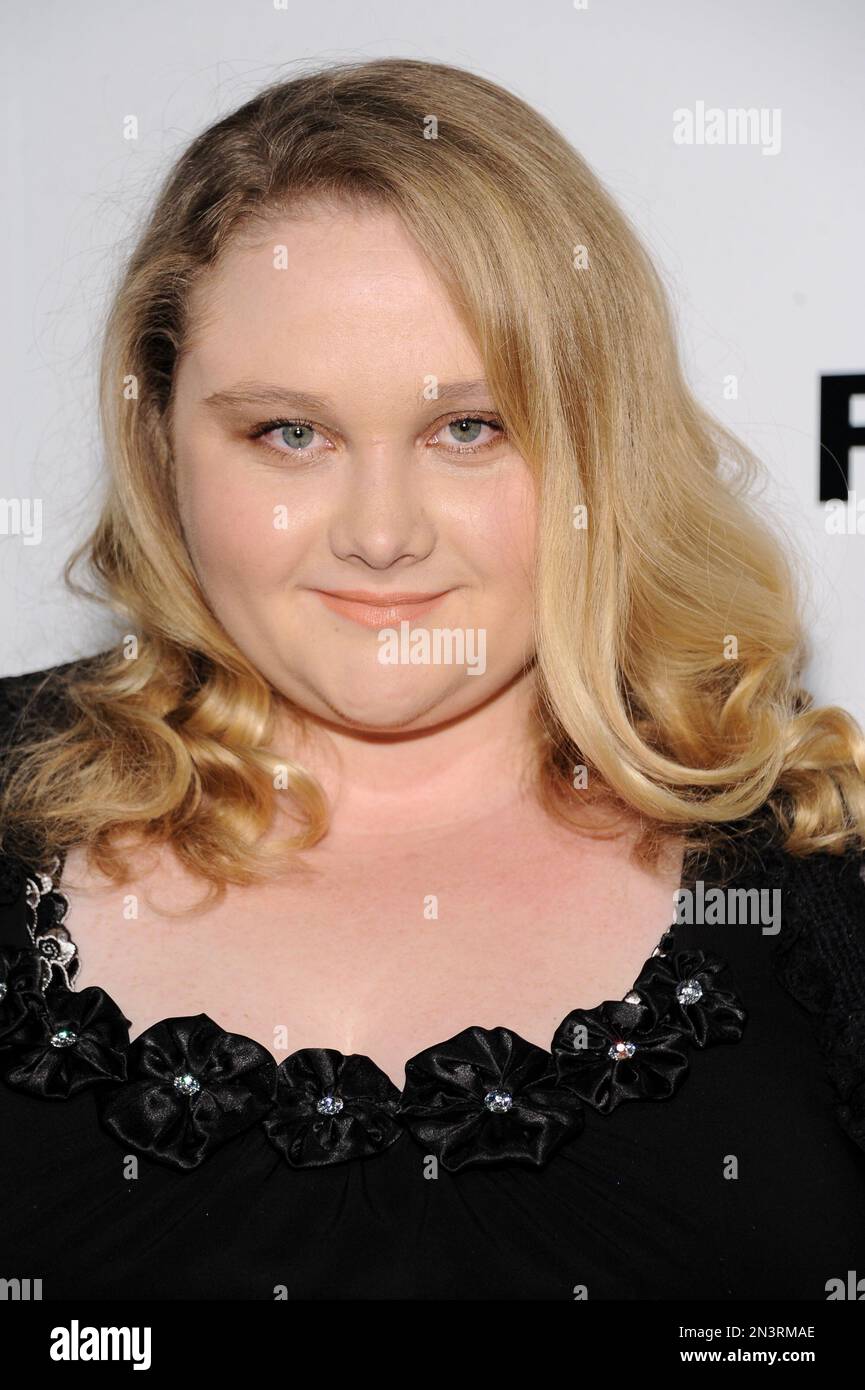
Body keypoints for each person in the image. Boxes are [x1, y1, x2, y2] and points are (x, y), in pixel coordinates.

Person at [1, 56, 863, 1302]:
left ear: (596, 446)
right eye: (289, 434)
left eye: (469, 428)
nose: (382, 532)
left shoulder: (817, 883)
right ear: (159, 441)